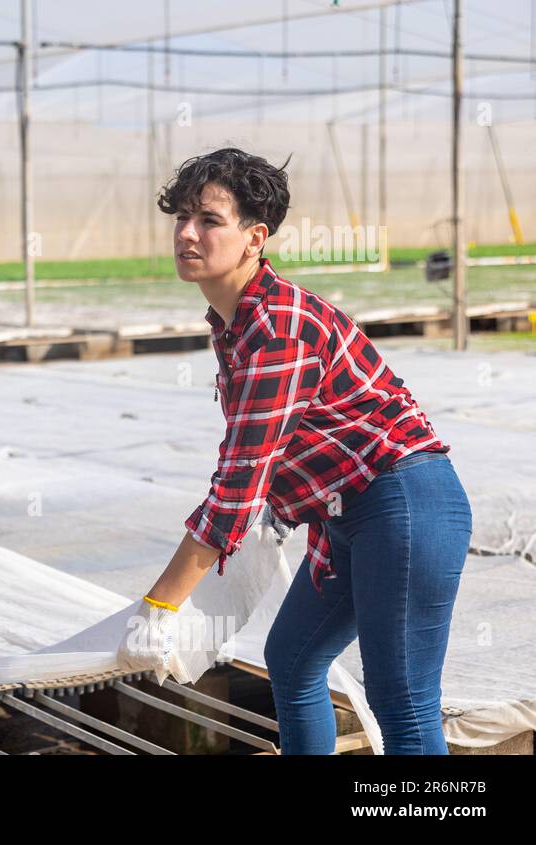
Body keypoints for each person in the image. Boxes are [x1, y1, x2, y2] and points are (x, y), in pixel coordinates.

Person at [115, 147, 473, 755]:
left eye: (208, 219)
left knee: (401, 700)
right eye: (179, 217)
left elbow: (235, 489)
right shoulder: (235, 323)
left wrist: (158, 608)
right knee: (292, 657)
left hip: (404, 504)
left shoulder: (278, 327)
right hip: (350, 511)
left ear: (255, 237)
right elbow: (279, 459)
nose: (186, 233)